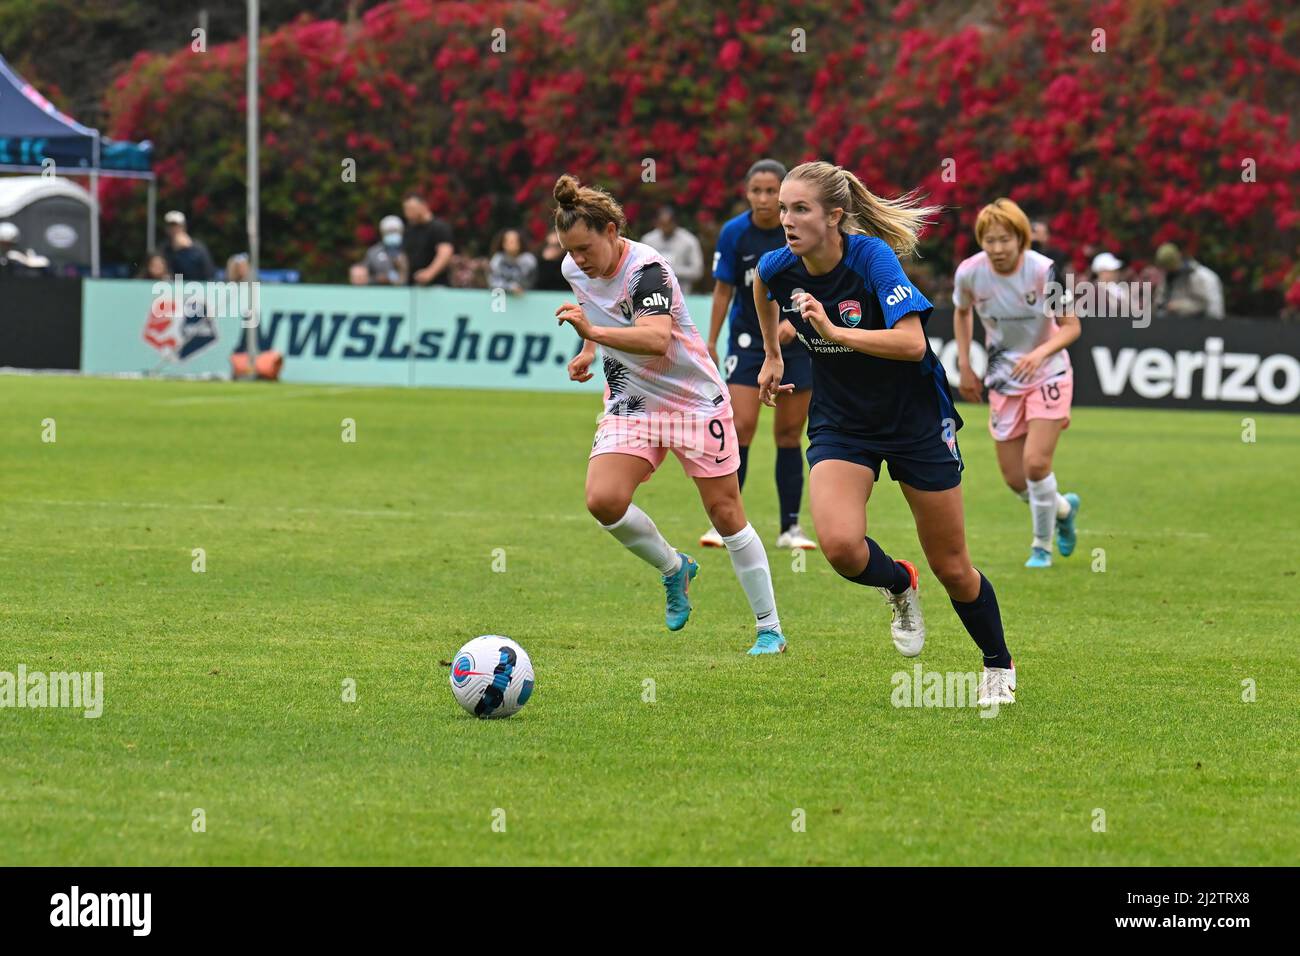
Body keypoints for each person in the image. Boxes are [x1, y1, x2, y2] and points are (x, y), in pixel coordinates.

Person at [755, 161, 1016, 704]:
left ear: (835, 216)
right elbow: (762, 285)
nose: (786, 219)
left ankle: (997, 664)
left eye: (799, 208)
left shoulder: (871, 258)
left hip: (914, 420)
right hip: (842, 423)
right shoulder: (781, 265)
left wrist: (830, 330)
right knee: (841, 547)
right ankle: (898, 583)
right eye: (783, 208)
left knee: (953, 566)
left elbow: (913, 344)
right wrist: (774, 355)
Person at [552, 173, 788, 655]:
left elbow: (656, 338)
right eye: (569, 250)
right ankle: (674, 568)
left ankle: (769, 628)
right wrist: (586, 349)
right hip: (632, 400)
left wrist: (593, 336)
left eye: (585, 248)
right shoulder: (574, 270)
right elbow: (594, 313)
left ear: (613, 232)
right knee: (603, 499)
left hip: (692, 399)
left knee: (725, 513)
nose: (577, 260)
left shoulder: (649, 270)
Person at [953, 198, 1081, 570]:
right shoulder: (970, 273)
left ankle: (1041, 547)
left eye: (1004, 240)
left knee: (1036, 465)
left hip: (1049, 371)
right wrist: (965, 363)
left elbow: (1072, 327)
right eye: (989, 240)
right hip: (1003, 377)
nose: (997, 248)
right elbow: (962, 312)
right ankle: (1062, 509)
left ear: (1021, 239)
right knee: (1014, 478)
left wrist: (1039, 354)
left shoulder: (1044, 271)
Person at [700, 159, 816, 551]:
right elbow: (722, 290)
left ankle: (791, 528)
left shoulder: (801, 231)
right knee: (741, 427)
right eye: (757, 191)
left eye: (773, 191)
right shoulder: (735, 233)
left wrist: (797, 324)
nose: (765, 199)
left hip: (798, 344)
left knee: (788, 434)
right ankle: (726, 524)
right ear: (747, 193)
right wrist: (712, 340)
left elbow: (818, 281)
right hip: (749, 343)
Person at [640, 206, 704, 292]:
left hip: (682, 293)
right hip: (653, 294)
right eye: (662, 224)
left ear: (675, 222)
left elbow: (697, 271)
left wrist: (671, 270)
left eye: (668, 224)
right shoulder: (648, 240)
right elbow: (638, 267)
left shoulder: (689, 241)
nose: (665, 227)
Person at [1154, 242, 1224, 319]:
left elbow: (1205, 305)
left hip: (1204, 323)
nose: (1167, 271)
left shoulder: (1201, 276)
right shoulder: (1170, 277)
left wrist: (1177, 306)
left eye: (1170, 267)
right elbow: (1160, 302)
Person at [402, 193, 454, 286]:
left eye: (411, 209)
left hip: (436, 286)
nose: (408, 213)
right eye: (406, 209)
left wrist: (429, 273)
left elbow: (445, 253)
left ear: (424, 206)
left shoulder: (439, 228)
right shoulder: (409, 231)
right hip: (412, 287)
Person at [161, 210, 216, 281]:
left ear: (184, 227)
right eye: (171, 226)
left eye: (177, 226)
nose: (174, 229)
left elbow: (208, 272)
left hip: (197, 288)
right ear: (166, 228)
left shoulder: (198, 248)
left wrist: (188, 251)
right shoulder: (163, 248)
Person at [488, 228, 537, 294]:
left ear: (520, 242)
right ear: (503, 243)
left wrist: (518, 287)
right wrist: (509, 287)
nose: (511, 243)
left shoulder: (528, 260)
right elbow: (493, 282)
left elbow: (529, 281)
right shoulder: (497, 259)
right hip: (504, 298)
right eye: (508, 241)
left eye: (515, 241)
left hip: (527, 297)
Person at [364, 215, 409, 285]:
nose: (392, 234)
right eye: (389, 231)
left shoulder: (409, 250)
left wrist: (403, 267)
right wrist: (376, 279)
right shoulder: (373, 252)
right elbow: (364, 276)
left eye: (395, 231)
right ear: (382, 233)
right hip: (379, 291)